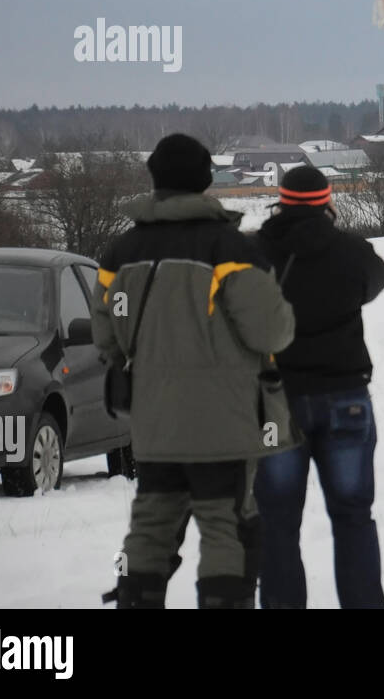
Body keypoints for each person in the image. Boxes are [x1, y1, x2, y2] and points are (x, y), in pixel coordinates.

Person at [92, 133, 295, 609]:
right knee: (227, 527)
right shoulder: (229, 249)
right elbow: (272, 332)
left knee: (150, 526)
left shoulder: (120, 253)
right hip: (225, 424)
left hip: (155, 424)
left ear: (155, 178)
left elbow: (106, 338)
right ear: (206, 180)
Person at [253, 165, 384, 608]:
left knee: (277, 523)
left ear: (282, 200)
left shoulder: (256, 254)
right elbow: (374, 282)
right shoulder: (353, 253)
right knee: (353, 518)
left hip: (277, 402)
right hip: (345, 398)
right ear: (327, 201)